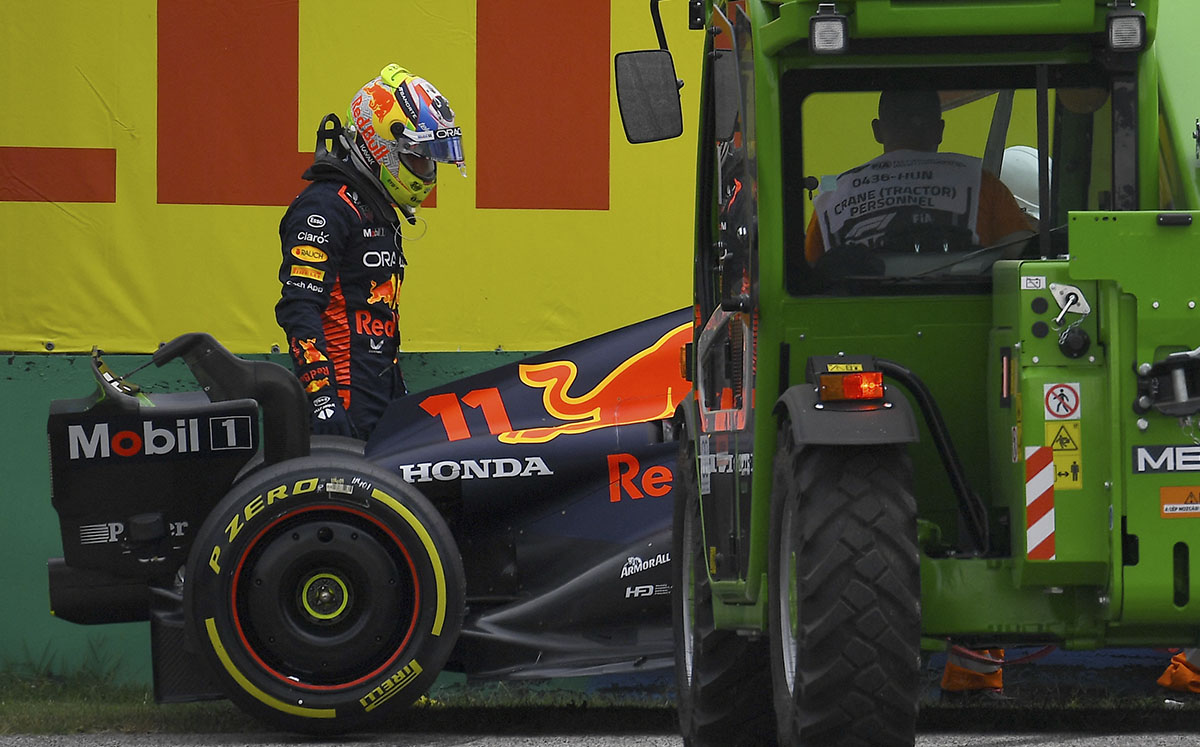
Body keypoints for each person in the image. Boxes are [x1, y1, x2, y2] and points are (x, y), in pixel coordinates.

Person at [276, 64, 465, 439]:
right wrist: (322, 400)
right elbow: (298, 308)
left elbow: (376, 320)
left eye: (430, 158)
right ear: (381, 146)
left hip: (378, 402)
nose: (427, 169)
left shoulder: (375, 208)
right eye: (419, 156)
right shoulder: (325, 208)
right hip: (341, 406)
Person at [805, 89, 1033, 265]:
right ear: (940, 130)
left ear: (877, 131)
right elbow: (1020, 253)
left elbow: (811, 271)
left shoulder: (834, 193)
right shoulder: (983, 183)